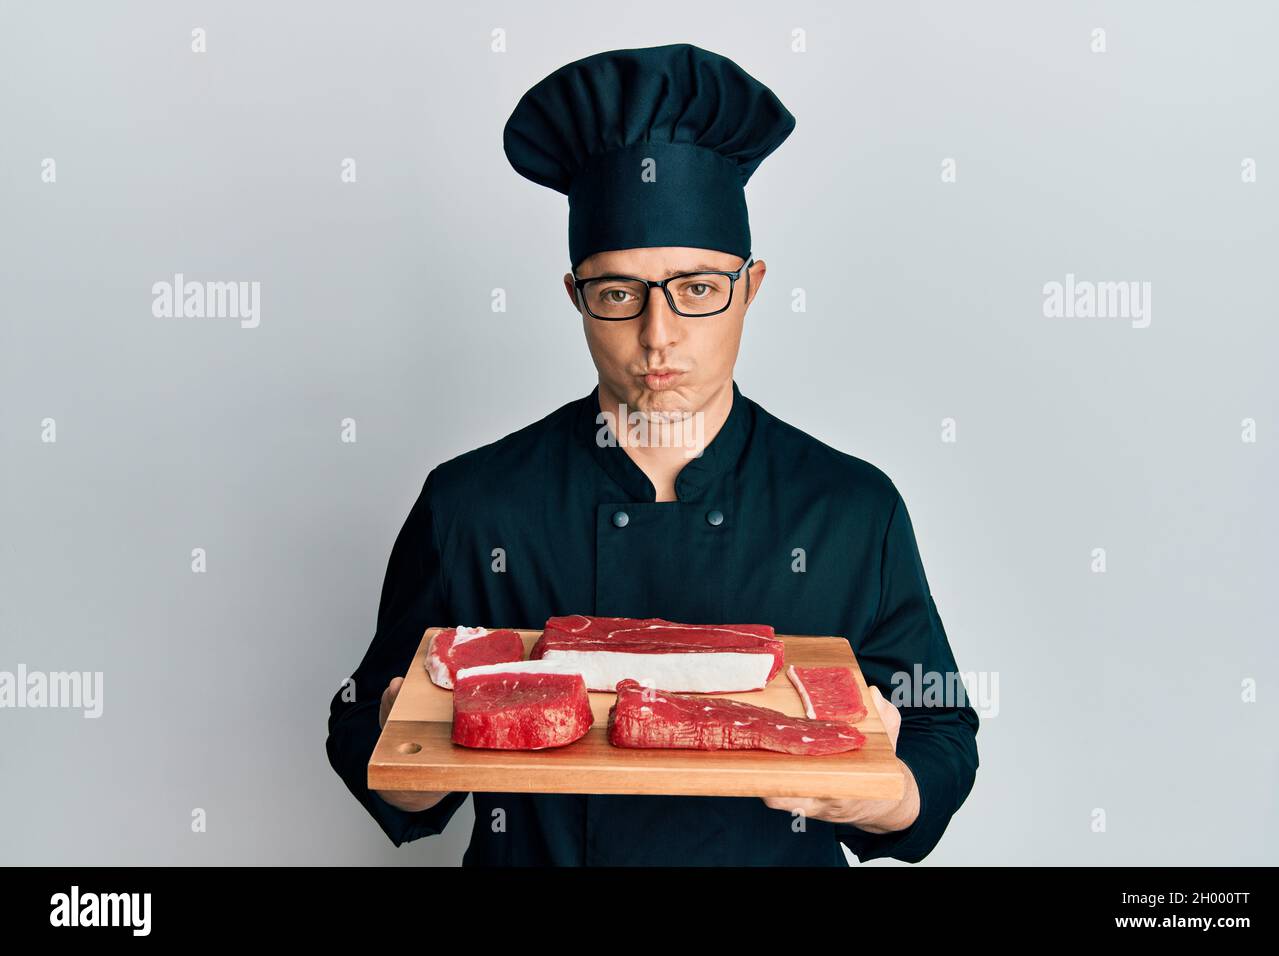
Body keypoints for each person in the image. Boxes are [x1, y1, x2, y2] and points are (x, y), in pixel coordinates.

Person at [326, 43, 979, 866]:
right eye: (618, 293)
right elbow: (361, 718)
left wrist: (888, 796)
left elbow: (942, 725)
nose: (657, 335)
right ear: (575, 296)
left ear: (752, 286)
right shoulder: (475, 503)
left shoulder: (849, 507)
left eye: (697, 288)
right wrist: (402, 772)